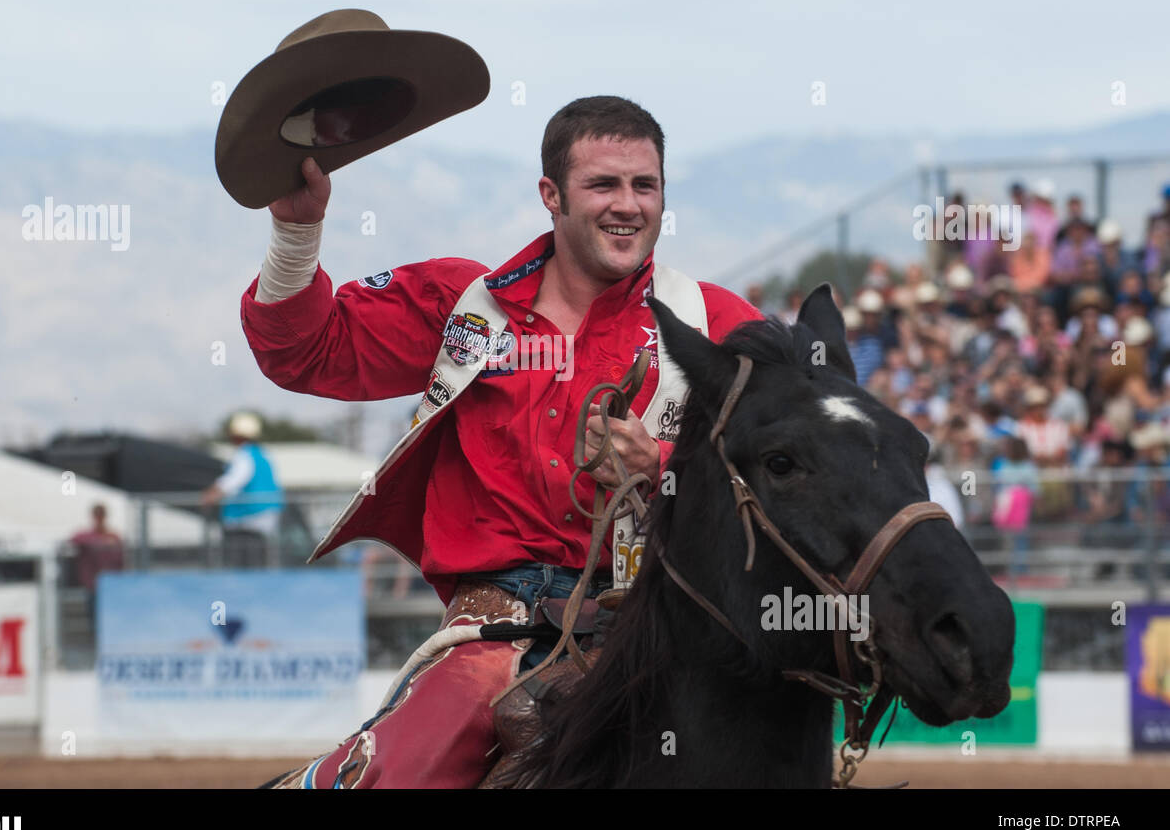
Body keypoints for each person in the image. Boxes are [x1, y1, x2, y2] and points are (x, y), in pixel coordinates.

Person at [240, 96, 761, 787]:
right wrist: (295, 231)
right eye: (603, 184)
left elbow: (790, 473)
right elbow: (303, 351)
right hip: (490, 638)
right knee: (396, 775)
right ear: (551, 195)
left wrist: (660, 464)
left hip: (656, 630)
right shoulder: (465, 306)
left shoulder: (715, 321)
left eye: (646, 185)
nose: (628, 204)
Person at [200, 411, 284, 567]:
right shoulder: (262, 455)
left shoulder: (244, 455)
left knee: (243, 563)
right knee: (259, 560)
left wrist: (212, 494)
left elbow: (234, 480)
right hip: (264, 514)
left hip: (248, 517)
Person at [67, 503, 125, 637]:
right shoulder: (88, 535)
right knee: (94, 618)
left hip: (110, 584)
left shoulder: (114, 537)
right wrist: (101, 542)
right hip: (93, 585)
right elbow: (75, 539)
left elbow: (120, 559)